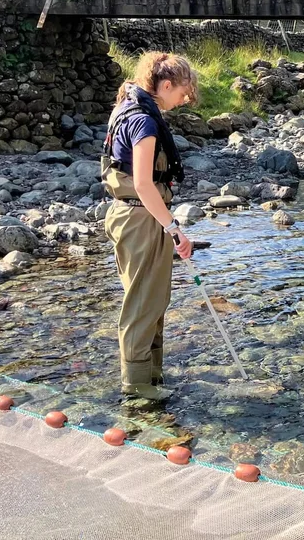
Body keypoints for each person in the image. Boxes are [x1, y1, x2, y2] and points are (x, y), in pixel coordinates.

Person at [101, 52, 198, 401]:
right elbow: (143, 183)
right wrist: (174, 228)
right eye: (183, 93)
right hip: (141, 217)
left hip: (130, 215)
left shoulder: (125, 107)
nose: (184, 101)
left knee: (151, 300)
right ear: (166, 84)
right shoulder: (143, 121)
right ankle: (138, 387)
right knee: (143, 304)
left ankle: (152, 376)